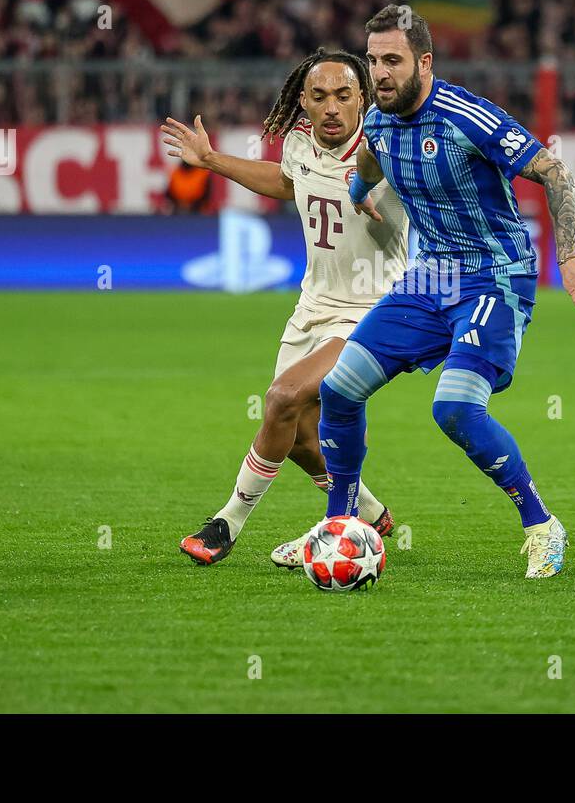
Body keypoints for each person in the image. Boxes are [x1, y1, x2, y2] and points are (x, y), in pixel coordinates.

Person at [311, 6, 575, 580]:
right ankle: (339, 524)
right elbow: (371, 157)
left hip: (494, 276)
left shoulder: (465, 116)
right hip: (428, 278)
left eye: (392, 60)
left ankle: (541, 525)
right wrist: (358, 189)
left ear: (424, 62)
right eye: (372, 61)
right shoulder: (377, 120)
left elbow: (555, 173)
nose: (379, 74)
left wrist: (568, 257)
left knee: (453, 408)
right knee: (339, 390)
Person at [160, 48, 409, 566]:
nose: (332, 107)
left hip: (372, 311)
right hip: (312, 305)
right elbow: (286, 183)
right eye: (319, 96)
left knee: (280, 398)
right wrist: (210, 160)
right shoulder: (299, 142)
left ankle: (225, 523)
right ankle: (368, 510)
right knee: (295, 437)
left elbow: (426, 197)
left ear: (362, 97)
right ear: (304, 100)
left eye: (344, 95)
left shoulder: (387, 149)